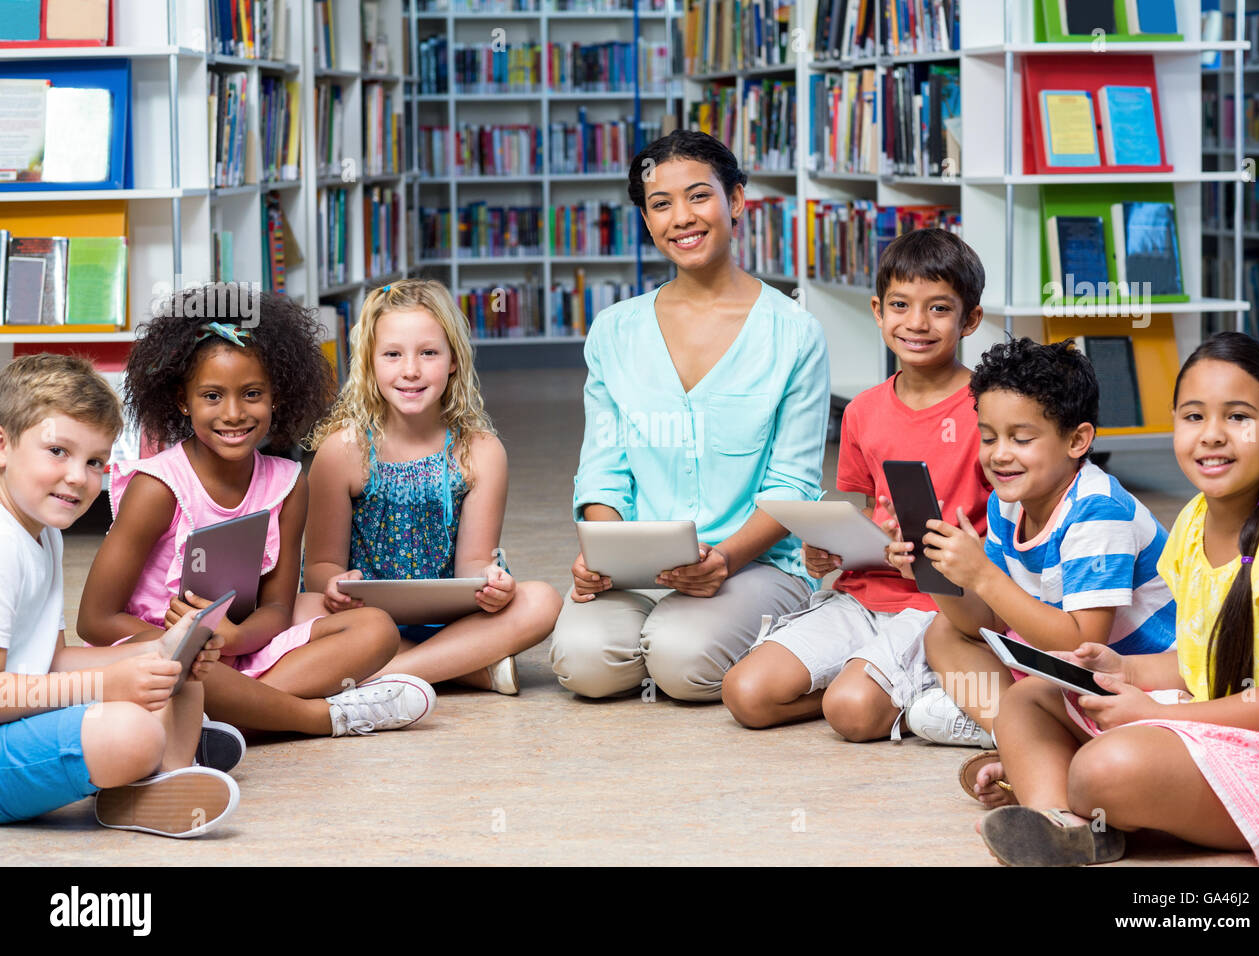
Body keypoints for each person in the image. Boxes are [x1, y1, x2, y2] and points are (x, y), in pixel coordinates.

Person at [978, 332, 1259, 866]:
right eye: (1193, 417)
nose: (1212, 436)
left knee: (1106, 770)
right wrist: (1123, 670)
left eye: (1238, 417)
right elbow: (1198, 664)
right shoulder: (1194, 522)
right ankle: (1063, 824)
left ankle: (1071, 791)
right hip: (1210, 719)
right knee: (1029, 696)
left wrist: (1148, 711)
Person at [549, 129, 830, 702]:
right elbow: (603, 469)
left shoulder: (795, 332)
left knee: (681, 661)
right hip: (639, 570)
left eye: (699, 196)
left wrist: (722, 560)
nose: (682, 217)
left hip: (752, 565)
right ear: (647, 222)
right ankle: (659, 632)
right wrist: (603, 554)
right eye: (660, 204)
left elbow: (793, 484)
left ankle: (770, 631)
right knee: (584, 664)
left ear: (737, 201)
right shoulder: (614, 330)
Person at [77, 288, 434, 738]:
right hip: (158, 652)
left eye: (251, 394)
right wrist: (187, 642)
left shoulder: (287, 483)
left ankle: (227, 719)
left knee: (376, 628)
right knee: (184, 668)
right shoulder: (157, 487)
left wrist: (233, 639)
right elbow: (95, 620)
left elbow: (278, 607)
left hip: (240, 651)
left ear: (276, 397)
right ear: (182, 401)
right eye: (211, 396)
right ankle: (320, 718)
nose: (233, 413)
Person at [721, 228, 991, 742]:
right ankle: (871, 681)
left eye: (938, 308)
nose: (916, 323)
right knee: (746, 694)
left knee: (852, 715)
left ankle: (888, 687)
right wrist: (837, 552)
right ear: (877, 310)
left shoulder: (988, 407)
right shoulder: (863, 411)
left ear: (970, 319)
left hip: (941, 606)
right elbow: (876, 514)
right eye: (900, 305)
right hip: (865, 595)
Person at [892, 338, 1175, 793]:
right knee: (944, 632)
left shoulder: (1098, 511)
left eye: (1021, 439)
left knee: (1024, 679)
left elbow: (1083, 644)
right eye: (988, 437)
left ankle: (1023, 742)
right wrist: (942, 575)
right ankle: (1015, 737)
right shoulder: (1010, 500)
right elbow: (985, 620)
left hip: (1131, 677)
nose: (999, 454)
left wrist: (983, 575)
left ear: (1077, 440)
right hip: (1054, 658)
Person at [0, 354, 237, 836]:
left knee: (174, 668)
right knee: (129, 730)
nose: (78, 477)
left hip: (16, 722)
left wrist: (158, 650)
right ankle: (155, 761)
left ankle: (163, 778)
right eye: (58, 452)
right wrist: (106, 686)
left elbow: (49, 660)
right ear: (2, 446)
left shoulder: (44, 533)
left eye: (94, 462)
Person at [302, 280, 561, 693]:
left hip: (457, 619)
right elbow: (318, 567)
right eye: (392, 354)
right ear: (369, 362)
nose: (410, 370)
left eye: (428, 353)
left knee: (542, 601)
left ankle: (377, 677)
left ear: (454, 359)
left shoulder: (481, 451)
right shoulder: (341, 452)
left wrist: (492, 584)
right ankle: (467, 668)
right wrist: (332, 585)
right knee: (299, 611)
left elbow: (473, 565)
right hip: (368, 621)